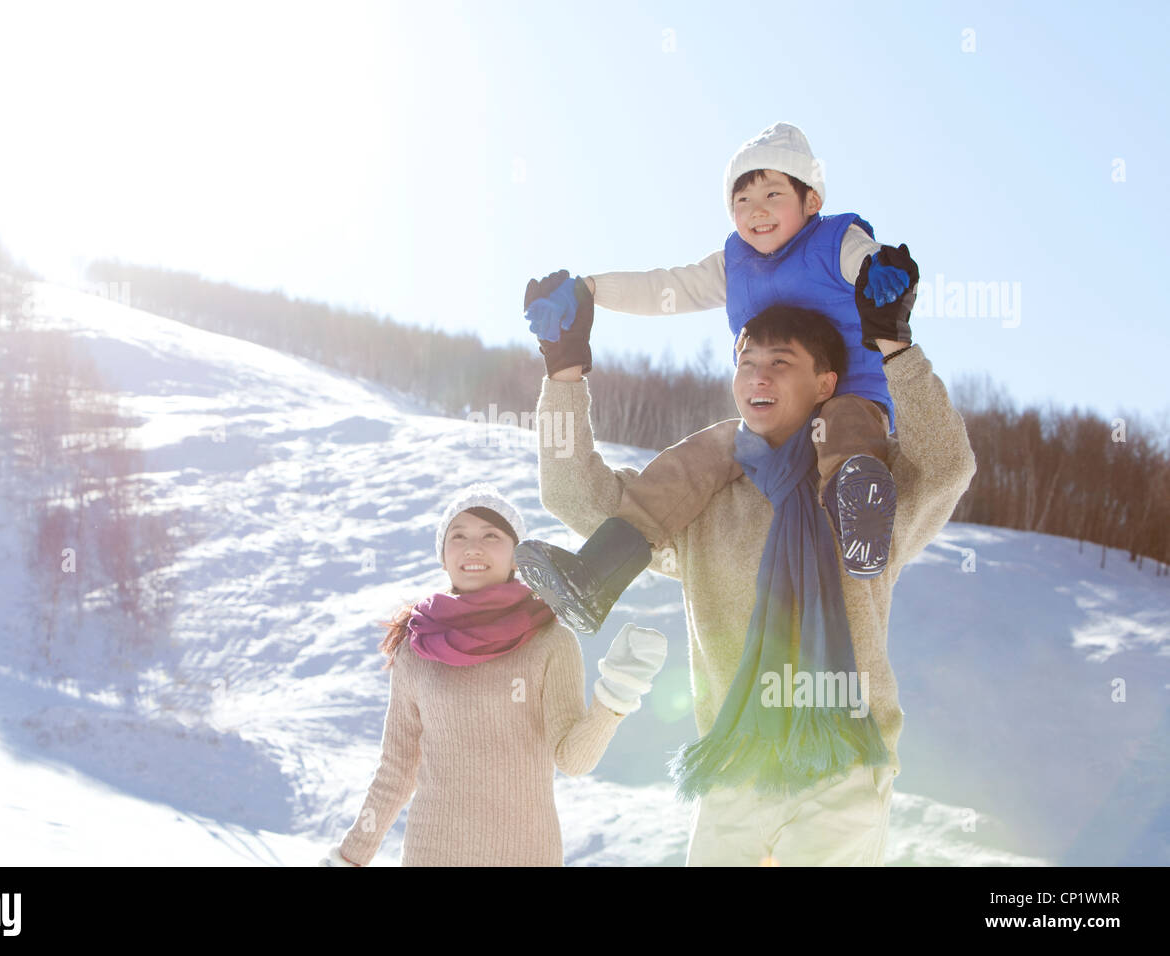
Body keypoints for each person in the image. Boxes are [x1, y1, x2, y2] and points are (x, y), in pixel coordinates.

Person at [529, 294, 975, 865]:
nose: (757, 376)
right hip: (734, 770)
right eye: (746, 362)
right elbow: (573, 494)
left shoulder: (865, 500)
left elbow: (946, 465)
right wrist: (563, 372)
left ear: (824, 384)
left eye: (781, 362)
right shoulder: (699, 501)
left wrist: (897, 348)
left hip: (841, 769)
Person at [517, 122, 920, 633]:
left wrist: (883, 271)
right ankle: (597, 573)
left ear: (811, 200)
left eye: (774, 193)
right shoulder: (736, 263)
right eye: (742, 198)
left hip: (848, 395)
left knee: (843, 423)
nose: (757, 209)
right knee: (704, 452)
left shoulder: (837, 241)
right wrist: (590, 289)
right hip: (770, 424)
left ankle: (856, 519)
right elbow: (669, 287)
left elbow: (870, 265)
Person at [319, 482, 668, 866]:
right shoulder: (417, 646)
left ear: (517, 557)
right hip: (431, 854)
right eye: (459, 536)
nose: (474, 547)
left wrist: (617, 692)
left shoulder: (549, 640)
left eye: (491, 535)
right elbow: (397, 770)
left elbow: (571, 758)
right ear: (443, 554)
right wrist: (349, 858)